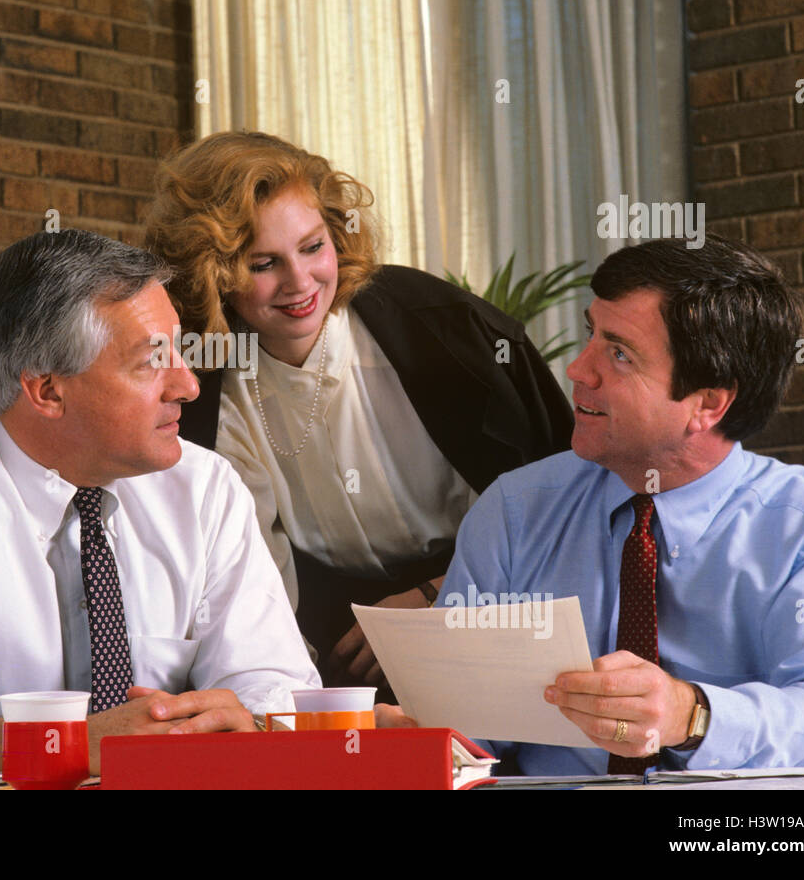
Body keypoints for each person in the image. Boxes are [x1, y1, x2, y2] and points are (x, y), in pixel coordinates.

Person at [0, 230, 322, 774]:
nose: (188, 385)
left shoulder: (205, 488)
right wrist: (67, 743)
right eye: (149, 363)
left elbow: (278, 684)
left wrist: (247, 722)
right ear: (46, 391)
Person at [142, 131, 573, 689]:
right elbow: (249, 588)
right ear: (215, 272)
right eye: (263, 263)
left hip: (494, 608)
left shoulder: (449, 330)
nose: (300, 283)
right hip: (330, 643)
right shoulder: (201, 390)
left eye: (313, 246)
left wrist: (437, 596)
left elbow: (566, 506)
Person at [426, 235, 804, 773]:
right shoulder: (515, 510)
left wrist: (692, 715)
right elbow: (471, 724)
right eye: (591, 335)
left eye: (619, 353)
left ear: (708, 403)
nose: (579, 370)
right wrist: (434, 733)